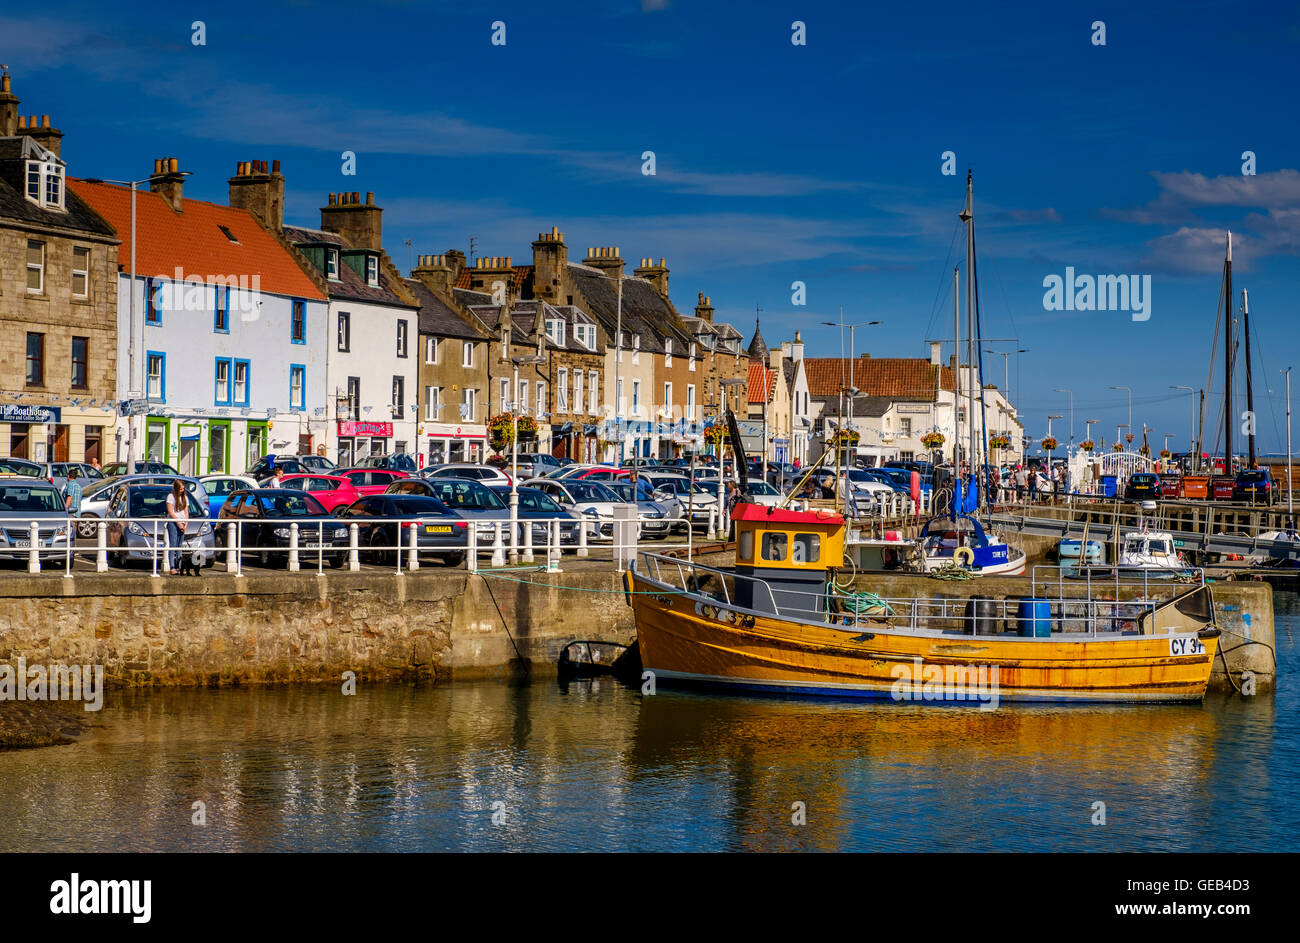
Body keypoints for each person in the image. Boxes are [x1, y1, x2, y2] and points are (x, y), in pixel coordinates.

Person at [165, 479, 189, 576]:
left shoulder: (185, 498)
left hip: (182, 522)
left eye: (183, 489)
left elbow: (186, 511)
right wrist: (178, 522)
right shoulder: (170, 497)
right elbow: (171, 512)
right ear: (176, 489)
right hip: (173, 523)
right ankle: (172, 567)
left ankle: (179, 567)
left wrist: (186, 523)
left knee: (180, 546)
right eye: (180, 489)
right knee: (173, 544)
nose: (182, 491)